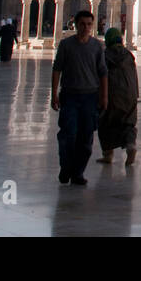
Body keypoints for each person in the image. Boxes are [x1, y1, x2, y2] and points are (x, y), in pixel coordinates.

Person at [50, 10, 108, 187]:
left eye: (89, 24)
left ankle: (78, 172)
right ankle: (66, 167)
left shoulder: (97, 46)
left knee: (86, 137)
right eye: (82, 24)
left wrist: (104, 97)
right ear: (75, 25)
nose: (86, 28)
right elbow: (57, 69)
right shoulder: (66, 45)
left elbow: (103, 73)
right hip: (70, 95)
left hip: (90, 97)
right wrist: (54, 94)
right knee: (68, 134)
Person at [97, 28, 139, 166]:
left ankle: (108, 154)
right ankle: (131, 146)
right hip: (129, 93)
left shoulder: (105, 55)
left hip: (111, 94)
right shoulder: (128, 55)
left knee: (105, 123)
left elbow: (100, 76)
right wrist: (135, 94)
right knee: (128, 122)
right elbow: (134, 75)